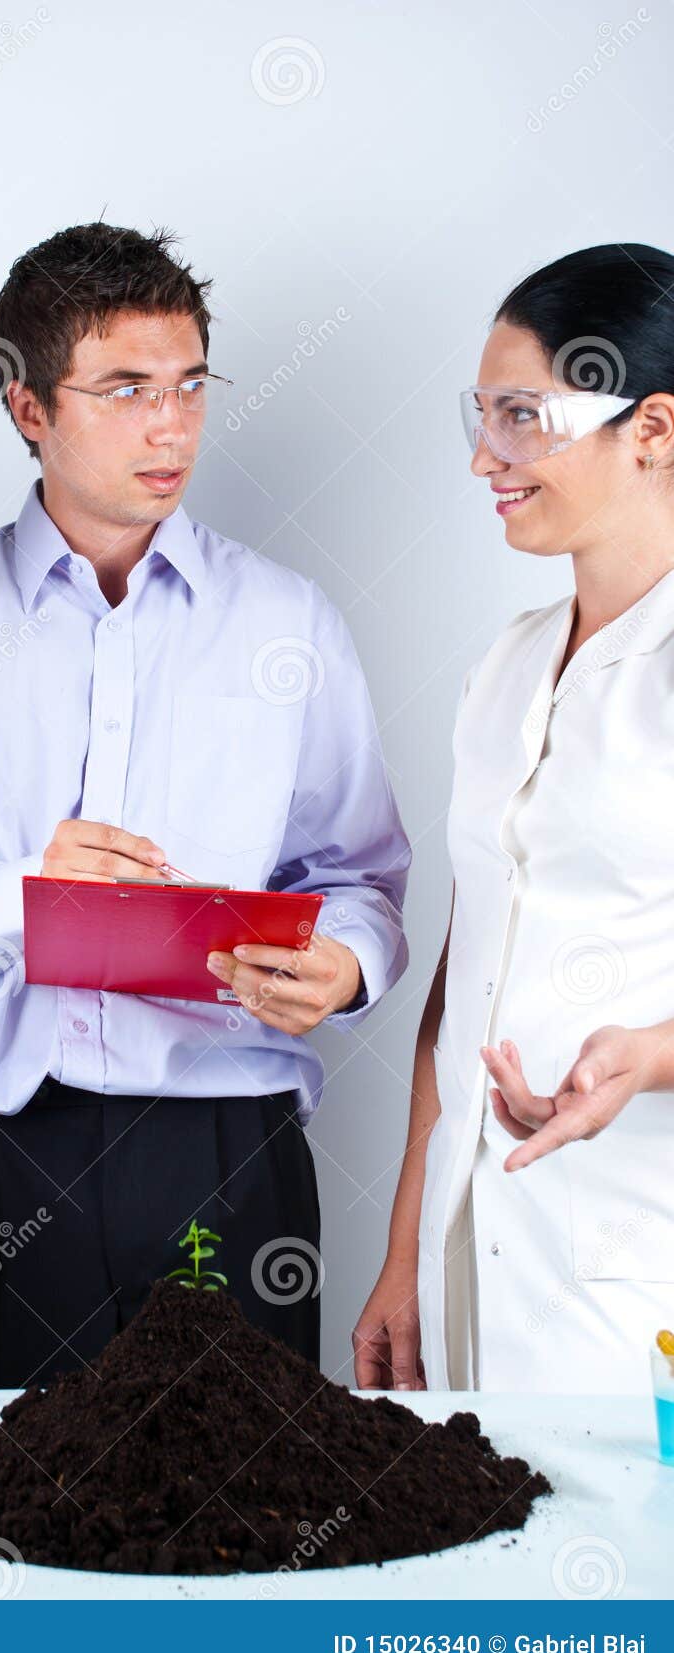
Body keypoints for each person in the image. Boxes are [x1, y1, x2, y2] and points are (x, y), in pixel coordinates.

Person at [0, 222, 409, 1390]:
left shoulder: (285, 624)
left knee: (240, 1519)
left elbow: (360, 875)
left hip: (228, 1144)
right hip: (7, 1150)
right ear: (27, 408)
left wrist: (348, 962)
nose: (173, 426)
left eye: (192, 384)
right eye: (126, 389)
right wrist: (30, 891)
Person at [354, 244, 674, 1396]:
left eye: (525, 418)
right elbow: (467, 969)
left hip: (634, 1265)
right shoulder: (508, 666)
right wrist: (401, 1252)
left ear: (654, 431)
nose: (487, 457)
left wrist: (651, 1056)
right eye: (481, 417)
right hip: (467, 1255)